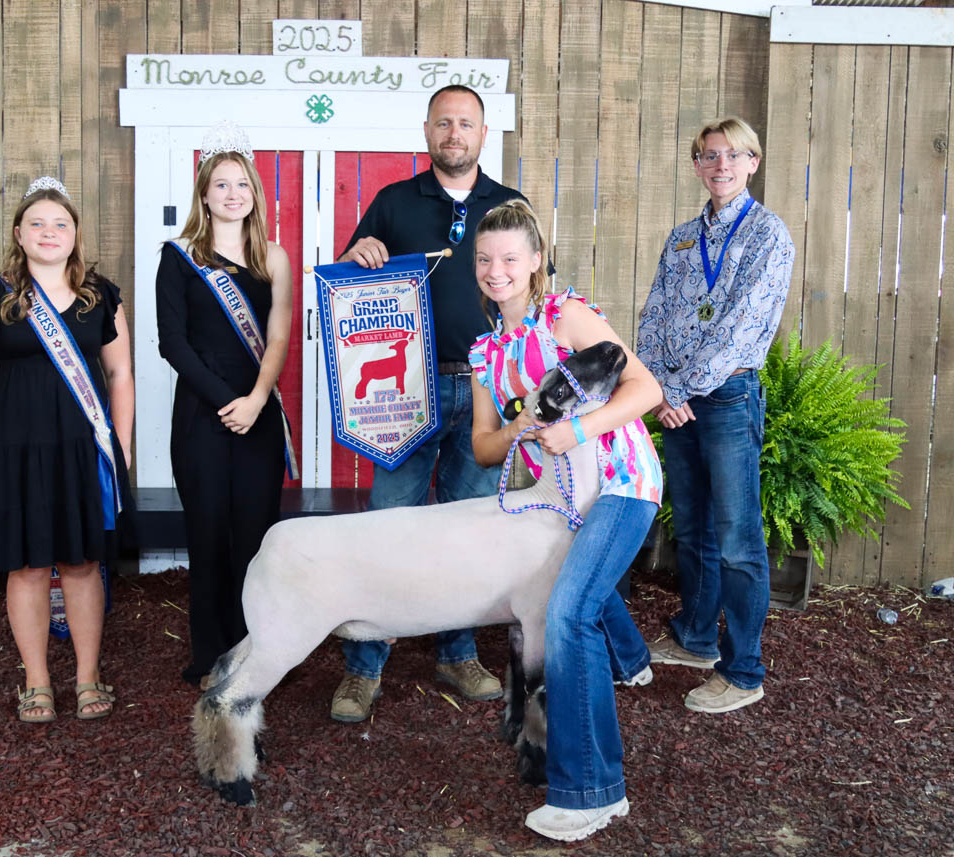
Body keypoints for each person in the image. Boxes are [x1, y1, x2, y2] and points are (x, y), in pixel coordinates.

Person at [327, 85, 531, 722]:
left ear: (482, 132)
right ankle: (364, 664)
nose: (453, 133)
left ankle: (457, 650)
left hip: (485, 391)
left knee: (470, 530)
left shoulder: (510, 206)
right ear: (427, 130)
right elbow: (349, 286)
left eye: (464, 123)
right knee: (388, 524)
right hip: (403, 391)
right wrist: (355, 256)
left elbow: (535, 294)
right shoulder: (392, 202)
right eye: (443, 123)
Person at [467, 200, 663, 841]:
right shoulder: (487, 352)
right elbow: (483, 447)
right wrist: (520, 428)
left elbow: (645, 390)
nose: (497, 270)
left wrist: (575, 426)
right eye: (485, 260)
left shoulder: (565, 317)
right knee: (576, 602)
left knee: (570, 613)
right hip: (558, 503)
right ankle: (630, 664)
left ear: (535, 263)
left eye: (510, 259)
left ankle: (591, 792)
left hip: (620, 484)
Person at [0, 176, 134, 723]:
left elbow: (121, 371)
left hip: (81, 450)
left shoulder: (99, 295)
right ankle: (36, 682)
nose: (49, 232)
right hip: (14, 450)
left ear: (75, 234)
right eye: (38, 223)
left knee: (81, 564)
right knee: (27, 568)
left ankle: (86, 676)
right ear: (18, 233)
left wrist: (119, 446)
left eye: (61, 224)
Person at [636, 116, 794, 714]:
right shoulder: (680, 238)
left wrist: (678, 390)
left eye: (733, 155)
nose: (720, 165)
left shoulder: (768, 237)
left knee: (736, 540)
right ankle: (697, 638)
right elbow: (652, 318)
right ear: (697, 165)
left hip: (725, 398)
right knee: (694, 529)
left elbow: (743, 328)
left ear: (752, 162)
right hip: (676, 401)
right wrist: (660, 391)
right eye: (709, 156)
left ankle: (744, 669)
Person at [155, 121, 294, 687]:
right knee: (209, 535)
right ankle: (210, 654)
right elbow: (173, 343)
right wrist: (226, 402)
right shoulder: (180, 257)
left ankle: (254, 649)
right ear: (204, 194)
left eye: (242, 184)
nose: (233, 193)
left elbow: (280, 336)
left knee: (255, 538)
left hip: (257, 415)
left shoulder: (275, 258)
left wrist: (257, 399)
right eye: (221, 185)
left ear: (254, 193)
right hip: (202, 416)